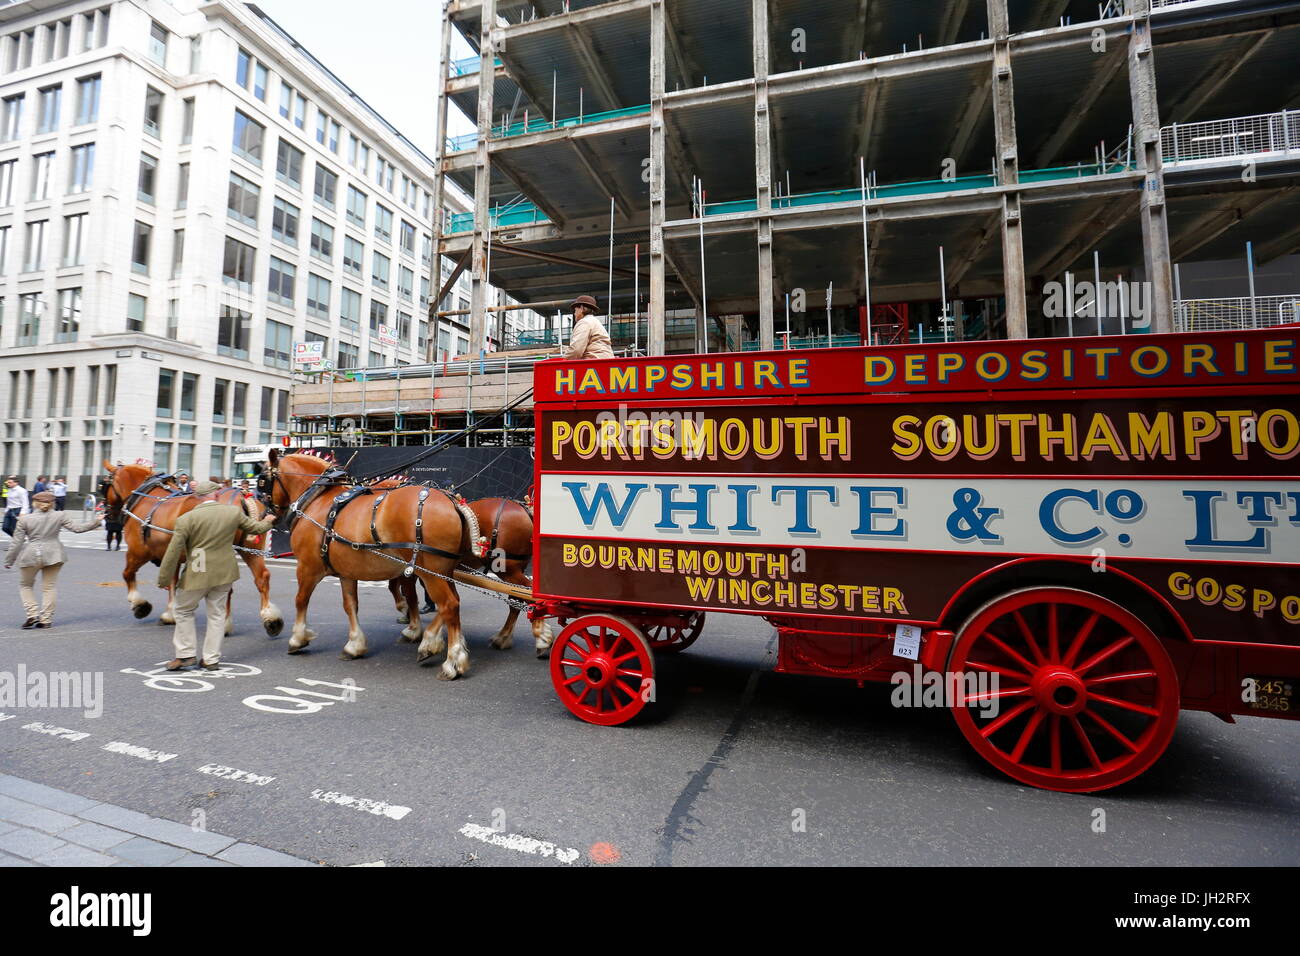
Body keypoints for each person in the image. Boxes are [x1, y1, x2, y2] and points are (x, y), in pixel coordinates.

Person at [156, 479, 275, 671]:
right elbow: (256, 529)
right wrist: (268, 521)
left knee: (184, 611)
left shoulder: (186, 519)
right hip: (224, 571)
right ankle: (211, 659)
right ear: (217, 495)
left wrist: (164, 578)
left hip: (197, 570)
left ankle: (186, 655)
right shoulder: (233, 513)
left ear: (197, 498)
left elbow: (173, 552)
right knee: (217, 615)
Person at [4, 490, 102, 628]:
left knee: (26, 585)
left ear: (35, 503)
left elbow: (16, 543)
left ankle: (32, 614)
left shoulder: (24, 519)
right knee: (49, 587)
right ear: (52, 503)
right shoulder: (60, 515)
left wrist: (9, 560)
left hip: (31, 555)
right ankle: (46, 620)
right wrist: (96, 521)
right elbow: (77, 529)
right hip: (54, 554)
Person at [563, 295, 614, 361]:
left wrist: (563, 359)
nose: (574, 314)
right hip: (605, 362)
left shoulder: (584, 322)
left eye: (575, 310)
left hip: (594, 363)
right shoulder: (594, 321)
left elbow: (576, 350)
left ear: (581, 308)